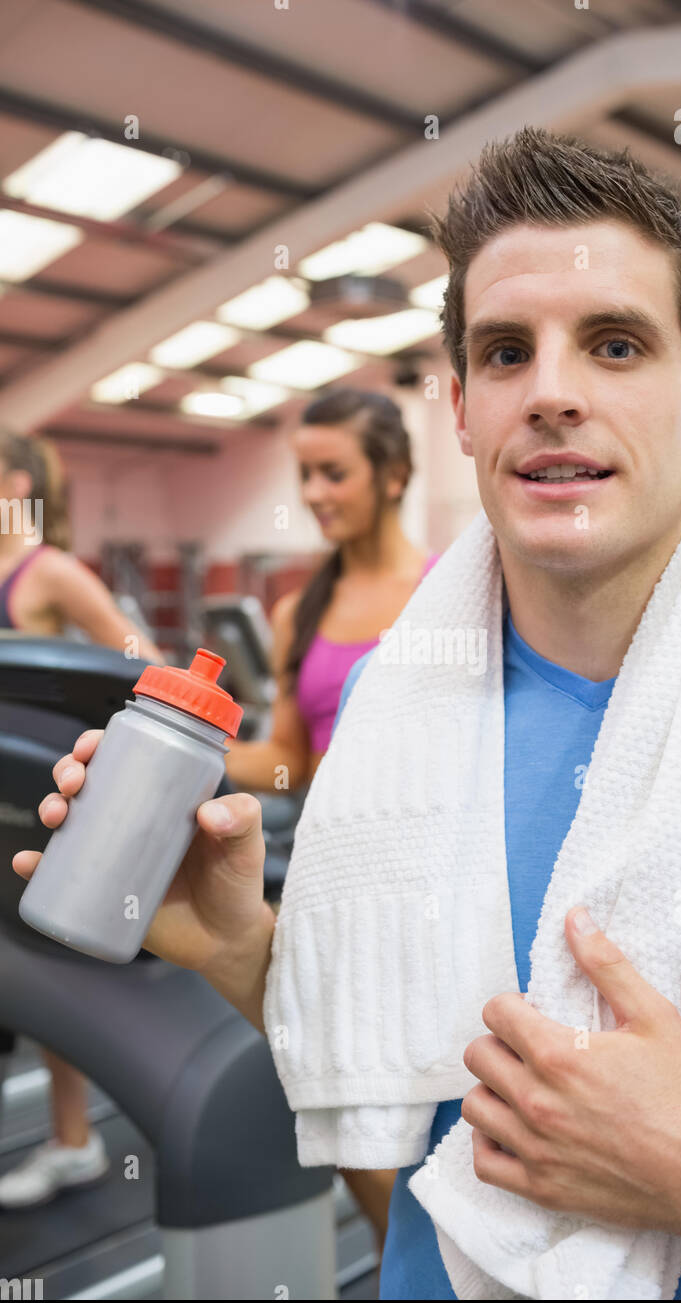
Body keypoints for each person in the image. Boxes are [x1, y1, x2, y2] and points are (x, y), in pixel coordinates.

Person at [13, 128, 681, 1300]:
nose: (553, 393)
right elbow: (393, 1051)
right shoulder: (393, 702)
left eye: (614, 345)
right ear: (460, 406)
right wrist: (241, 952)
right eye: (507, 352)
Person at [223, 388, 438, 1254]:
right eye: (304, 474)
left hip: (434, 888)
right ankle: (411, 1267)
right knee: (341, 1111)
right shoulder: (295, 613)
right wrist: (179, 742)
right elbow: (290, 762)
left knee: (443, 1123)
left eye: (333, 472)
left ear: (391, 476)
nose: (313, 492)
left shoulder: (452, 587)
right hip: (336, 891)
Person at [0, 429, 164, 1209]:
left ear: (15, 481)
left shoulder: (50, 572)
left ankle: (74, 1140)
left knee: (41, 972)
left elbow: (145, 666)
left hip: (26, 805)